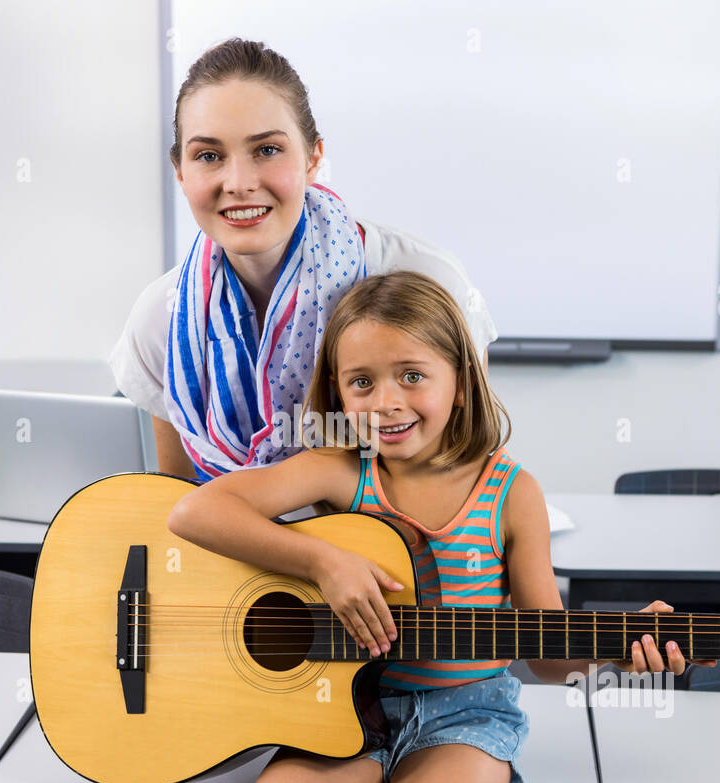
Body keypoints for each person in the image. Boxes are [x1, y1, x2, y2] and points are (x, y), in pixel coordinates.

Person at [167, 269, 715, 783]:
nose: (387, 402)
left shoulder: (511, 492)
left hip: (463, 718)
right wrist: (324, 561)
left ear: (459, 382)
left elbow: (549, 658)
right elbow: (195, 512)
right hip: (335, 711)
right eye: (361, 382)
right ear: (338, 392)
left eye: (412, 375)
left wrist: (617, 646)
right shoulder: (337, 470)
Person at [108, 37, 498, 485]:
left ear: (314, 157)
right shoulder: (162, 317)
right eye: (209, 156)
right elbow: (175, 504)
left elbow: (469, 484)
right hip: (228, 548)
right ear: (180, 172)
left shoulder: (424, 279)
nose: (238, 183)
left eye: (267, 150)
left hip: (397, 551)